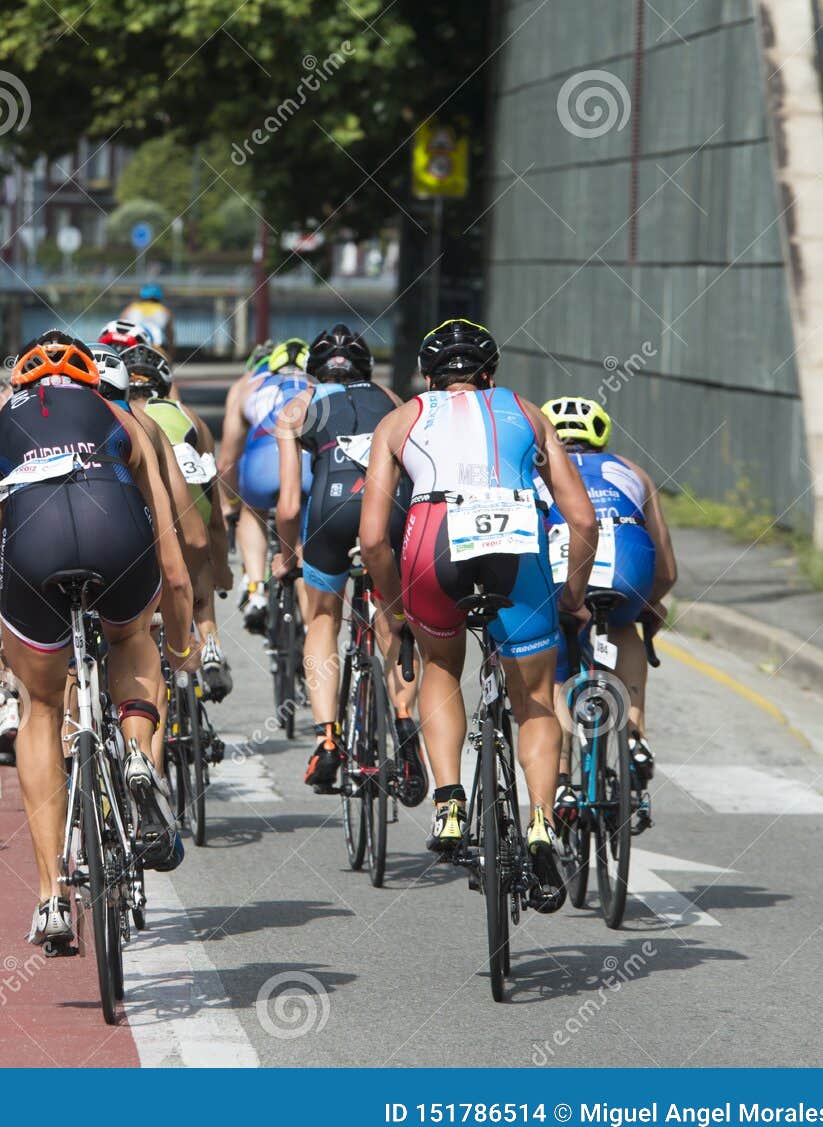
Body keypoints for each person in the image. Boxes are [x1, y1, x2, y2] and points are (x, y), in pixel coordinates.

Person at [0, 332, 197, 948]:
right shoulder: (124, 416)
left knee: (40, 709)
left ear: (20, 380)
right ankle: (139, 753)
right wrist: (178, 649)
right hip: (115, 534)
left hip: (35, 553)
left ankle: (51, 899)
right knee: (131, 637)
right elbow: (175, 568)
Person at [359, 319, 598, 912]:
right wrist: (571, 595)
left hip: (431, 536)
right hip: (513, 535)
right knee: (535, 698)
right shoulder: (528, 412)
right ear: (490, 375)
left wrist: (394, 607)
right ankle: (541, 824)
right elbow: (582, 520)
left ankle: (448, 802)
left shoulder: (398, 421)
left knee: (441, 663)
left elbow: (373, 539)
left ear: (427, 378)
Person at [273, 326, 416, 796]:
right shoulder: (391, 400)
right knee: (392, 617)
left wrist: (286, 556)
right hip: (389, 509)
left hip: (330, 511)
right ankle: (404, 725)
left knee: (322, 619)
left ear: (315, 371)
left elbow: (289, 507)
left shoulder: (297, 408)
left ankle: (328, 739)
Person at [540, 396, 677, 831]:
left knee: (555, 662)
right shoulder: (633, 471)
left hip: (566, 558)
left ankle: (562, 780)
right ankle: (634, 735)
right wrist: (650, 604)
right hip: (628, 562)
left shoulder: (536, 470)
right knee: (624, 628)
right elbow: (667, 570)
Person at [122, 343, 236, 700]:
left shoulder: (119, 416)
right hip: (192, 507)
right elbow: (211, 499)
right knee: (198, 566)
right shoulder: (188, 416)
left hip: (141, 518)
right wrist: (221, 568)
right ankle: (211, 640)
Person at [218, 337, 312, 632]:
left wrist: (231, 504)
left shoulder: (248, 385)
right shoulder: (316, 384)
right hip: (306, 461)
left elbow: (226, 461)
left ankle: (256, 589)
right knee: (303, 535)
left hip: (262, 460)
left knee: (252, 510)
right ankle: (313, 626)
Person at [120, 283, 175, 359]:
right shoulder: (165, 311)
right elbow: (170, 337)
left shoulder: (130, 309)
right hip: (156, 349)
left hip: (132, 347)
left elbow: (121, 330)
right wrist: (170, 356)